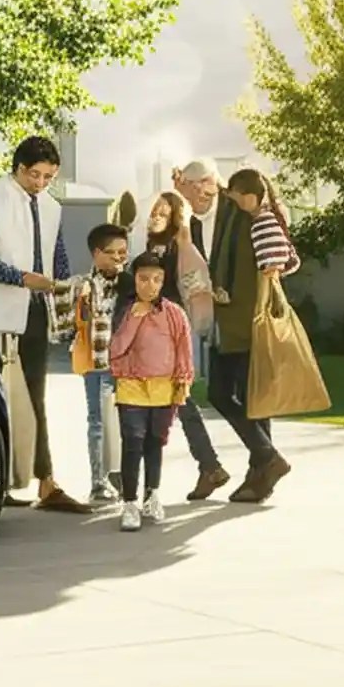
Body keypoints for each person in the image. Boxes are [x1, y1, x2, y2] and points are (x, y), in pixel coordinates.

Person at [0, 136, 90, 513]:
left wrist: (67, 291)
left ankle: (46, 482)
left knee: (36, 399)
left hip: (35, 314)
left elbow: (58, 259)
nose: (40, 183)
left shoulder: (52, 207)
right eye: (34, 175)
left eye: (48, 177)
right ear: (18, 167)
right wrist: (21, 278)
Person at [135, 191, 230, 501]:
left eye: (165, 210)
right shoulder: (148, 244)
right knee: (171, 401)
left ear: (176, 214)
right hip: (147, 331)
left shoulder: (180, 245)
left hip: (170, 329)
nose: (157, 214)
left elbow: (193, 285)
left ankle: (208, 466)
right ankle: (208, 466)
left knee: (175, 399)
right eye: (155, 210)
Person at [214, 167, 301, 502]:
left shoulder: (261, 220)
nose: (234, 203)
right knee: (255, 400)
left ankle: (268, 459)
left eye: (236, 197)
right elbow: (293, 260)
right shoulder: (266, 216)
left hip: (251, 323)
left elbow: (279, 261)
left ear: (249, 195)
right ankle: (261, 473)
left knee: (224, 394)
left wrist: (268, 271)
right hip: (251, 323)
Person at [109, 251, 195, 531]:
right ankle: (130, 502)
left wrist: (183, 381)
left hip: (163, 386)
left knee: (155, 441)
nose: (150, 285)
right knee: (132, 441)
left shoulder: (174, 313)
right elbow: (116, 348)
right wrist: (134, 318)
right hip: (131, 385)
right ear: (133, 280)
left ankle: (152, 494)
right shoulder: (124, 311)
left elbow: (183, 348)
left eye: (156, 279)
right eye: (143, 279)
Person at [64, 223, 130, 503]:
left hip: (128, 363)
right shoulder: (83, 286)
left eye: (123, 253)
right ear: (96, 253)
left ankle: (127, 479)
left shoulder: (132, 283)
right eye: (111, 252)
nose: (118, 258)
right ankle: (98, 482)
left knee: (131, 423)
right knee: (98, 422)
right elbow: (67, 325)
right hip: (96, 363)